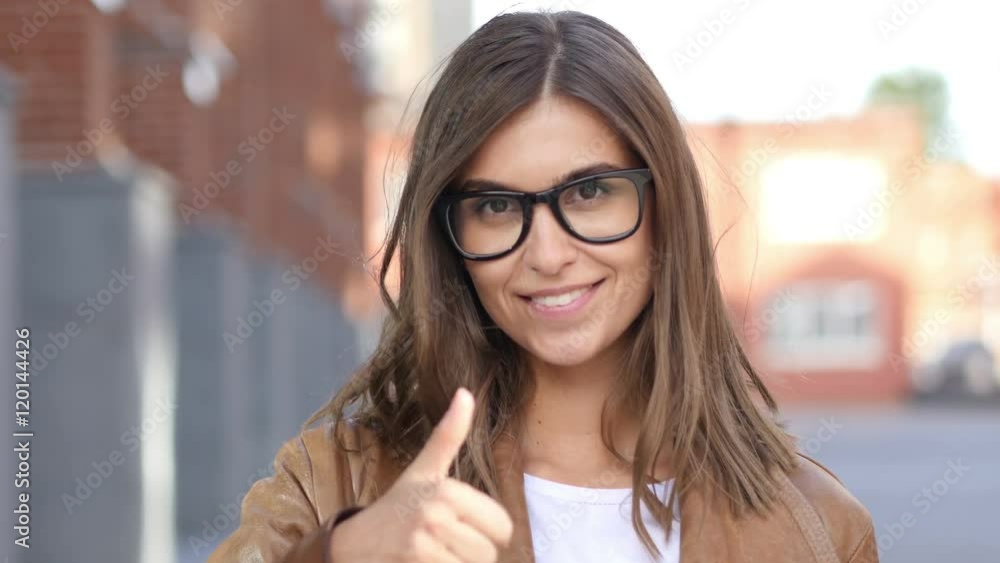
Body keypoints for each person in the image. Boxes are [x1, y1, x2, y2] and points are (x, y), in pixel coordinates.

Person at [208, 10, 878, 563]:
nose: (548, 254)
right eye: (497, 206)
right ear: (451, 237)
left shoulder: (817, 526)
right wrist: (347, 554)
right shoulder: (339, 481)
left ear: (663, 207)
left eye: (589, 192)